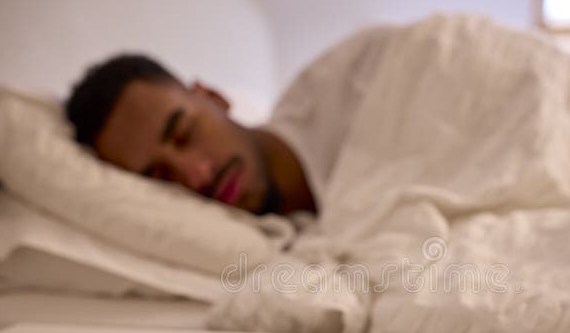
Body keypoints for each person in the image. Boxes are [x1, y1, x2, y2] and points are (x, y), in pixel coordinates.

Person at [65, 26, 396, 216]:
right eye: (161, 175)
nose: (197, 176)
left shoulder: (359, 74)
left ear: (213, 97)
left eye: (184, 134)